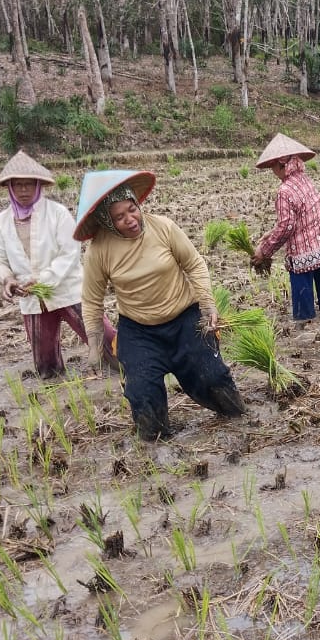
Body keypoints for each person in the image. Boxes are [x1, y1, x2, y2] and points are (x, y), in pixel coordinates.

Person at [75, 169, 245, 440]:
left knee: (213, 379)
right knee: (142, 395)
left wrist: (208, 306)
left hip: (184, 319)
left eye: (132, 210)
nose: (130, 220)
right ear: (107, 222)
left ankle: (238, 419)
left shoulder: (163, 227)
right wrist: (94, 348)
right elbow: (92, 301)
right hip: (140, 331)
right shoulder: (99, 250)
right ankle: (157, 442)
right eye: (119, 217)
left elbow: (195, 264)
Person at [0, 151, 116, 377]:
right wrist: (7, 279)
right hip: (32, 299)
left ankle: (133, 370)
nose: (24, 190)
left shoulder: (57, 213)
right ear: (9, 187)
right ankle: (56, 393)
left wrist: (43, 280)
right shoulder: (1, 222)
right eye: (18, 185)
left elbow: (69, 252)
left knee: (105, 339)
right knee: (46, 364)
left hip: (69, 290)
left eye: (29, 185)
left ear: (39, 186)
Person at [250, 133, 320, 321]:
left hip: (303, 255)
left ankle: (306, 332)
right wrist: (271, 232)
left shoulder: (284, 191)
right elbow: (301, 217)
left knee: (304, 314)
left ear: (282, 164)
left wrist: (264, 251)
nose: (272, 171)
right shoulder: (305, 179)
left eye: (273, 166)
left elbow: (287, 226)